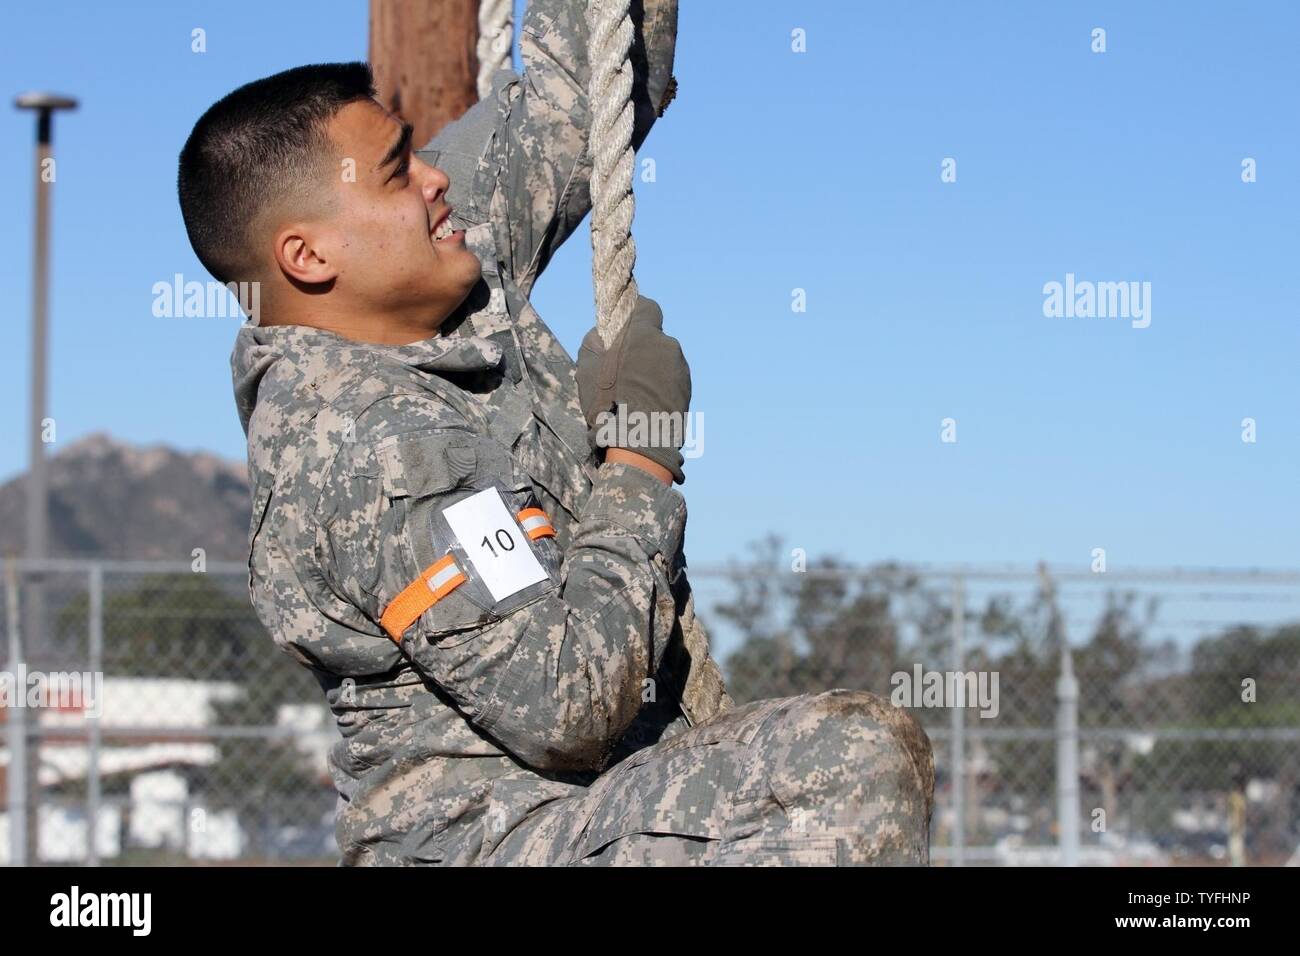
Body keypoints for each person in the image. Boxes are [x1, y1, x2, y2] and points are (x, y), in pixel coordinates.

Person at [178, 0, 933, 865]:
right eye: (395, 172)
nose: (433, 178)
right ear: (308, 258)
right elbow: (565, 703)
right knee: (847, 761)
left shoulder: (436, 256)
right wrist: (639, 463)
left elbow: (582, 95)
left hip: (594, 796)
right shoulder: (368, 448)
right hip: (496, 839)